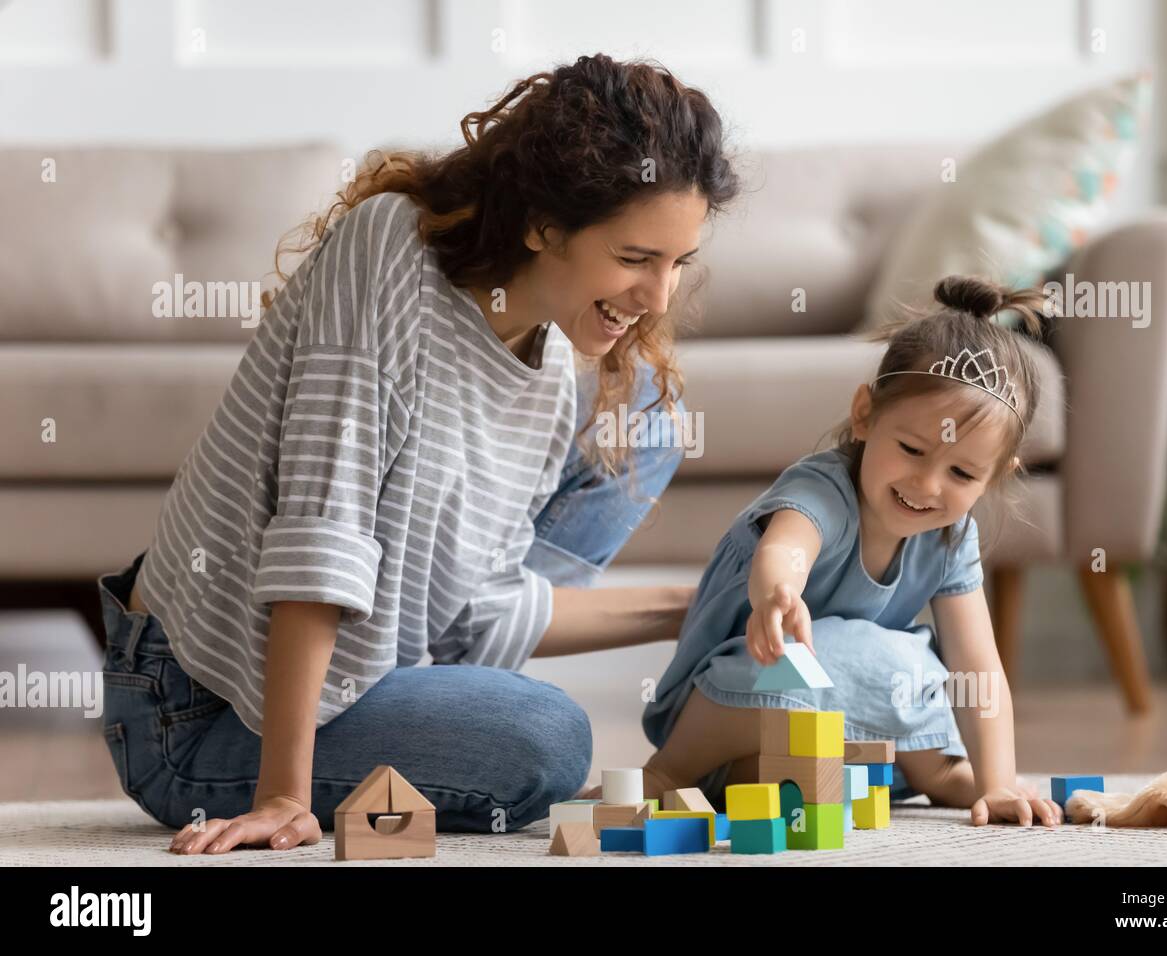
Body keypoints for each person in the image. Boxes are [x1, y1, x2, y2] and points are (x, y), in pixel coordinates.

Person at [96, 53, 741, 855]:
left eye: (678, 263)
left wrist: (717, 601)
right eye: (636, 259)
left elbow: (481, 608)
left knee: (648, 411)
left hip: (368, 673)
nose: (659, 297)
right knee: (548, 739)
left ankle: (459, 720)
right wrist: (283, 796)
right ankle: (457, 730)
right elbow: (319, 529)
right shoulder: (389, 252)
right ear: (542, 222)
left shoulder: (545, 374)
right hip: (197, 712)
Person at [634, 276, 1064, 828]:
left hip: (828, 732)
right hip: (735, 699)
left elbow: (976, 663)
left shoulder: (952, 537)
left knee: (913, 675)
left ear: (996, 477)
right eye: (911, 449)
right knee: (855, 653)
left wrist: (999, 778)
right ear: (865, 415)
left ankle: (939, 776)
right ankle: (670, 773)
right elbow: (787, 543)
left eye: (961, 473)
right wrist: (779, 592)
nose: (928, 485)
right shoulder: (824, 490)